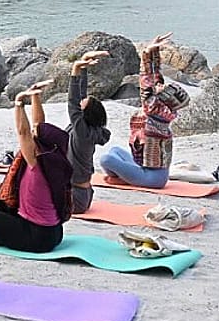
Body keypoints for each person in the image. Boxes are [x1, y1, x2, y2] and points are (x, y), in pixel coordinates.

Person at [0, 83, 73, 253]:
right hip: (55, 232)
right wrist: (35, 96)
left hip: (38, 237)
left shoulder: (36, 166)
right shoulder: (56, 157)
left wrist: (19, 104)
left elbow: (23, 132)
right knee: (2, 206)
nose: (33, 136)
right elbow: (39, 125)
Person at [99, 33, 190, 188]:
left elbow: (146, 86)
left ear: (166, 99)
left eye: (165, 89)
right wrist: (153, 52)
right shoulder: (159, 109)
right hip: (143, 166)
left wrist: (145, 54)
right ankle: (124, 177)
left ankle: (124, 178)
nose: (161, 87)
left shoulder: (156, 111)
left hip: (152, 177)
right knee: (115, 150)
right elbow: (155, 79)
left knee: (106, 160)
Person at [66, 51, 112, 213]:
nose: (81, 102)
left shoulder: (82, 134)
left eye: (83, 104)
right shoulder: (83, 128)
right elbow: (80, 97)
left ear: (84, 114)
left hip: (75, 197)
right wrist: (83, 67)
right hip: (80, 193)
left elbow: (72, 103)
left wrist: (74, 70)